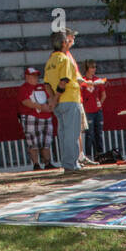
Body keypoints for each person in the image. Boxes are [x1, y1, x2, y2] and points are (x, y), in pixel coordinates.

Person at [44, 29, 91, 173]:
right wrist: (56, 97)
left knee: (63, 133)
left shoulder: (50, 60)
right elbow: (64, 81)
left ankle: (66, 162)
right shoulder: (65, 59)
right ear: (64, 43)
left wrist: (53, 99)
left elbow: (46, 84)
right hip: (70, 99)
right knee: (72, 133)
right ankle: (71, 164)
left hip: (58, 103)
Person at [17, 66, 56, 171]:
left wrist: (50, 106)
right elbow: (25, 101)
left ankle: (48, 163)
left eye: (36, 76)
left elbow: (50, 98)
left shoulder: (42, 87)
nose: (35, 78)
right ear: (27, 77)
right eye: (33, 76)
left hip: (46, 117)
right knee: (33, 142)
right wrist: (40, 107)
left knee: (46, 141)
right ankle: (36, 164)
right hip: (31, 117)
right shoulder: (24, 88)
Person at [81, 60, 106, 162]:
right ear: (87, 69)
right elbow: (80, 96)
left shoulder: (97, 80)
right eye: (92, 67)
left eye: (95, 67)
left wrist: (100, 103)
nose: (94, 69)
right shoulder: (83, 81)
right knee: (89, 134)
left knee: (98, 133)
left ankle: (99, 155)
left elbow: (104, 95)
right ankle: (88, 156)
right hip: (88, 111)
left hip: (97, 110)